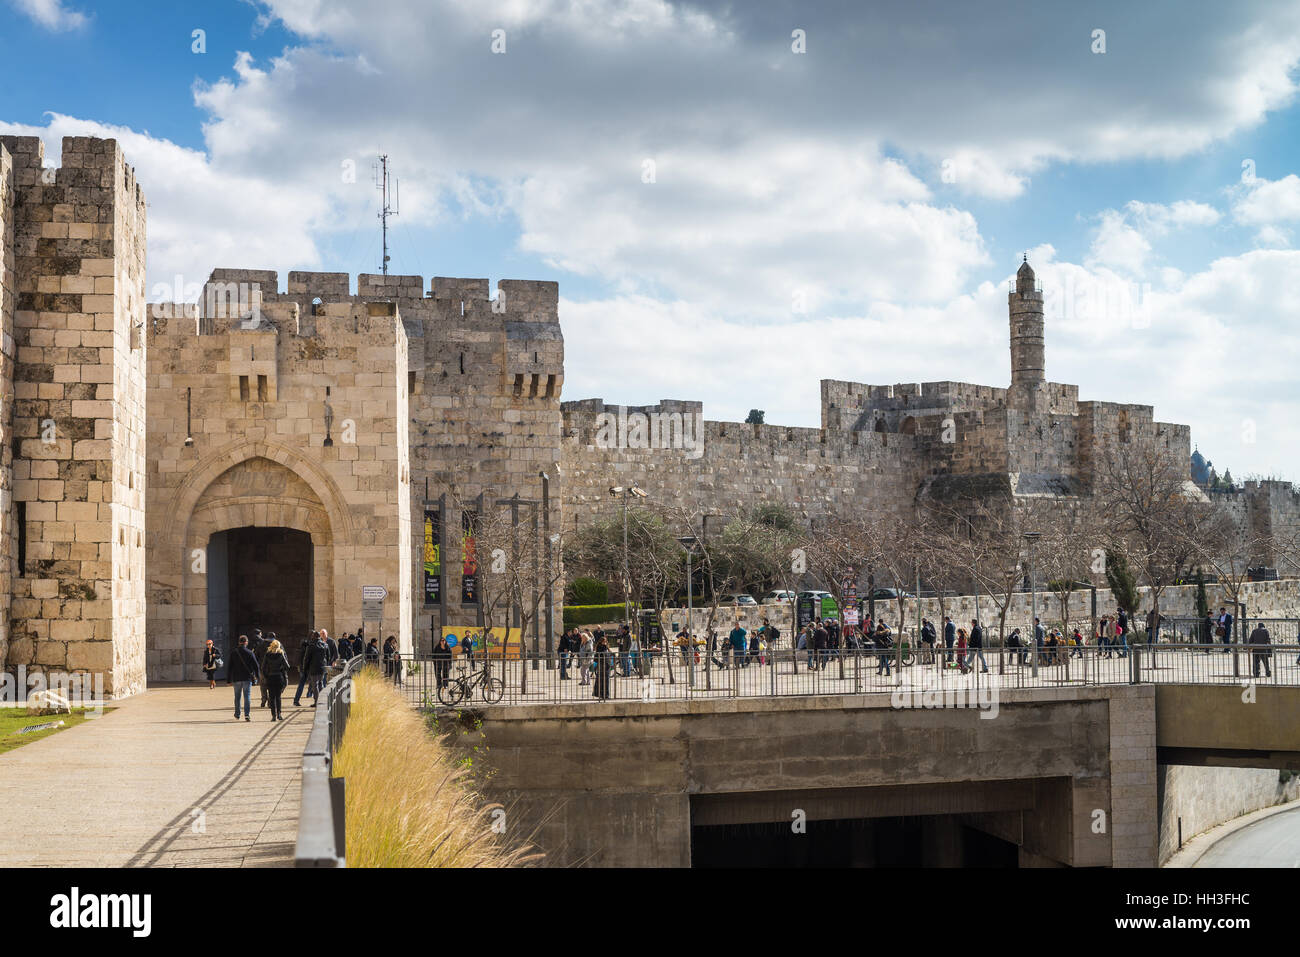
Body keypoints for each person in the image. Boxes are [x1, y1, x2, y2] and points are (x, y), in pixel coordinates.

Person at [228, 634, 260, 722]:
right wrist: (258, 676)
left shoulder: (234, 652)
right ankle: (247, 714)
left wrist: (228, 680)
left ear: (239, 642)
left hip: (236, 678)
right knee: (247, 696)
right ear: (246, 642)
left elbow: (230, 667)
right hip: (247, 678)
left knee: (237, 697)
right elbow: (256, 665)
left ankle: (237, 714)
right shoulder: (250, 652)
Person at [262, 638, 290, 721]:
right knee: (278, 697)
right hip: (279, 677)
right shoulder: (281, 655)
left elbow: (263, 667)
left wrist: (266, 675)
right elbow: (287, 666)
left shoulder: (267, 655)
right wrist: (282, 670)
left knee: (271, 697)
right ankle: (279, 714)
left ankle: (273, 716)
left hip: (270, 677)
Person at [303, 630, 330, 706]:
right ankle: (322, 701)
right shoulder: (325, 645)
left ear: (313, 637)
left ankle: (317, 702)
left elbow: (307, 658)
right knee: (321, 683)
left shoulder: (311, 646)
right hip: (322, 667)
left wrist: (305, 668)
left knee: (315, 685)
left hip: (313, 667)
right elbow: (328, 656)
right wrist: (325, 664)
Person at [593, 634, 613, 700]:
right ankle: (604, 695)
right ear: (601, 642)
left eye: (606, 641)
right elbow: (601, 655)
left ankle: (604, 694)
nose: (605, 643)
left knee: (604, 680)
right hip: (602, 665)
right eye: (604, 641)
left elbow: (609, 654)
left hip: (606, 665)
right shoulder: (600, 647)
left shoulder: (605, 647)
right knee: (603, 680)